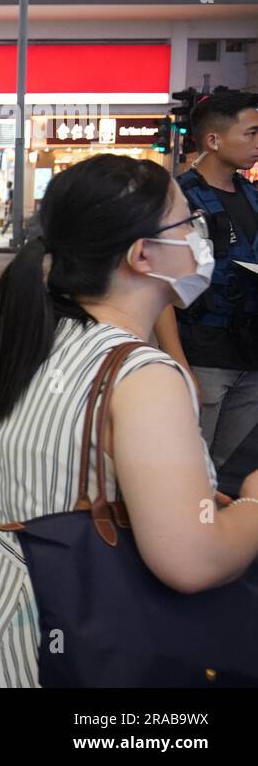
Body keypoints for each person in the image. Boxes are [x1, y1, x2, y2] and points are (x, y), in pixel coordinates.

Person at [0, 154, 258, 687]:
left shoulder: (47, 339)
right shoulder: (143, 374)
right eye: (188, 223)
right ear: (142, 254)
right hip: (78, 647)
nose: (201, 236)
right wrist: (252, 502)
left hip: (6, 629)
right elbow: (192, 560)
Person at [155, 91, 258, 491]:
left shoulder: (251, 195)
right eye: (250, 134)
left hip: (250, 357)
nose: (257, 144)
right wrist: (179, 363)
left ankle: (219, 548)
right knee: (189, 471)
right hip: (203, 355)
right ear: (214, 140)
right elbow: (162, 289)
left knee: (230, 472)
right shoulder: (178, 198)